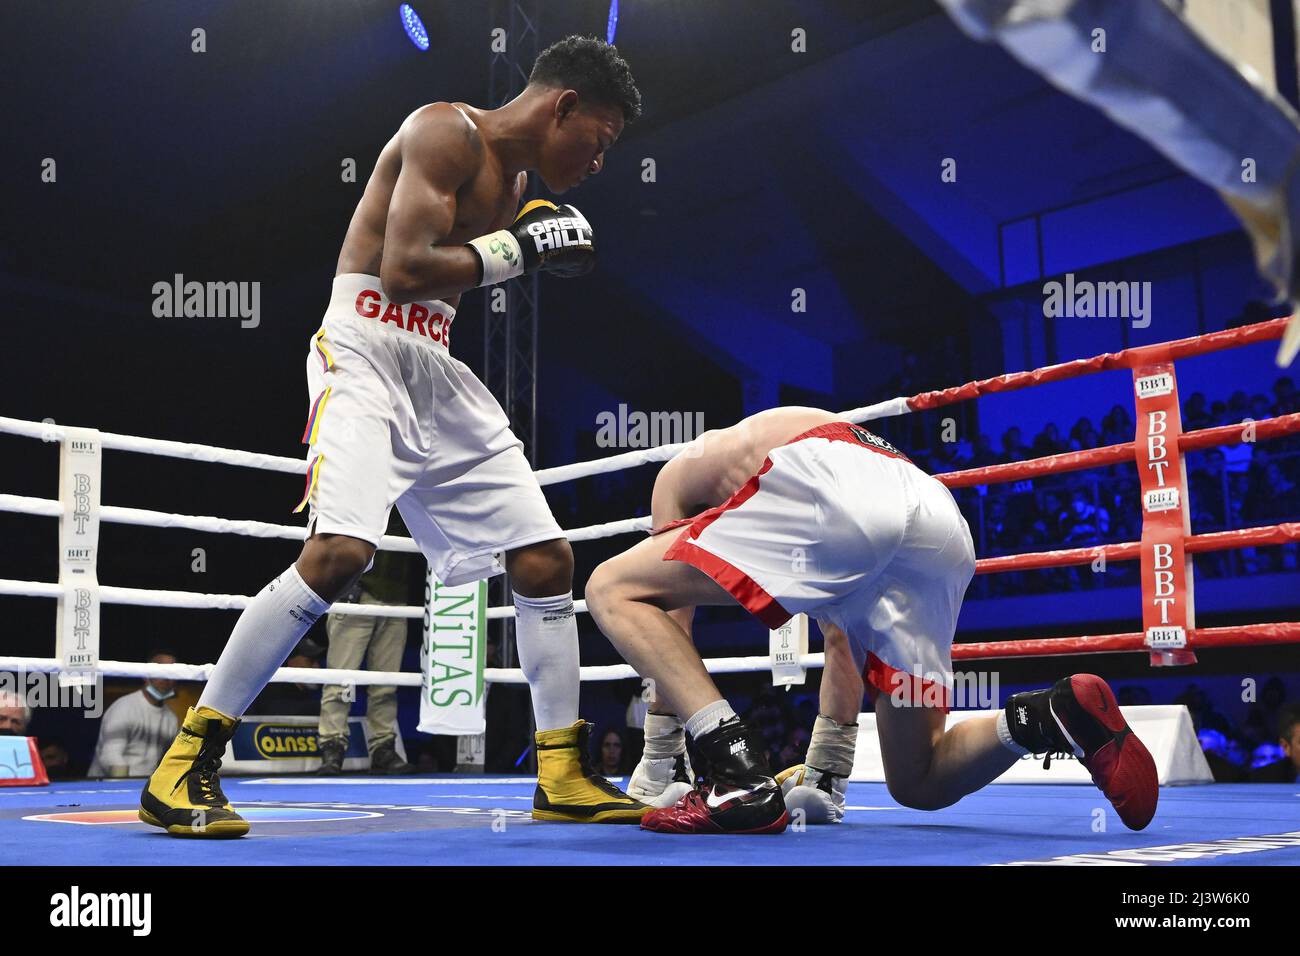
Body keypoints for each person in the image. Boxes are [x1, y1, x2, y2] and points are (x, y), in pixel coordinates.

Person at [141, 36, 647, 837]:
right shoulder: (446, 129)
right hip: (363, 347)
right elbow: (407, 267)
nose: (598, 163)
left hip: (432, 364)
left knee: (546, 558)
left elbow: (456, 279)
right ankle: (184, 766)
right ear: (564, 107)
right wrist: (519, 251)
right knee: (342, 551)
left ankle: (561, 771)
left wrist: (517, 247)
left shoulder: (515, 182)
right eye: (602, 141)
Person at [585, 407, 1159, 834]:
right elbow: (842, 636)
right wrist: (825, 777)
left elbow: (668, 620)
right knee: (919, 779)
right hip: (937, 523)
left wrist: (660, 761)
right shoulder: (792, 444)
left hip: (835, 495)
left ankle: (736, 776)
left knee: (611, 587)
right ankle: (1047, 716)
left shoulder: (677, 477)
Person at [317, 512, 414, 775]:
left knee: (386, 683)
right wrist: (342, 583)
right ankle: (332, 747)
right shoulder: (364, 483)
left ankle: (383, 747)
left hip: (396, 598)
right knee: (341, 680)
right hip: (356, 595)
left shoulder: (414, 491)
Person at [88, 652, 181, 778]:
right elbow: (110, 756)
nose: (166, 678)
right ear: (146, 675)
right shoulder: (124, 708)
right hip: (107, 785)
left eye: (172, 672)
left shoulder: (171, 719)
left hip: (145, 787)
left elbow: (173, 759)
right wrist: (125, 787)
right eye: (161, 671)